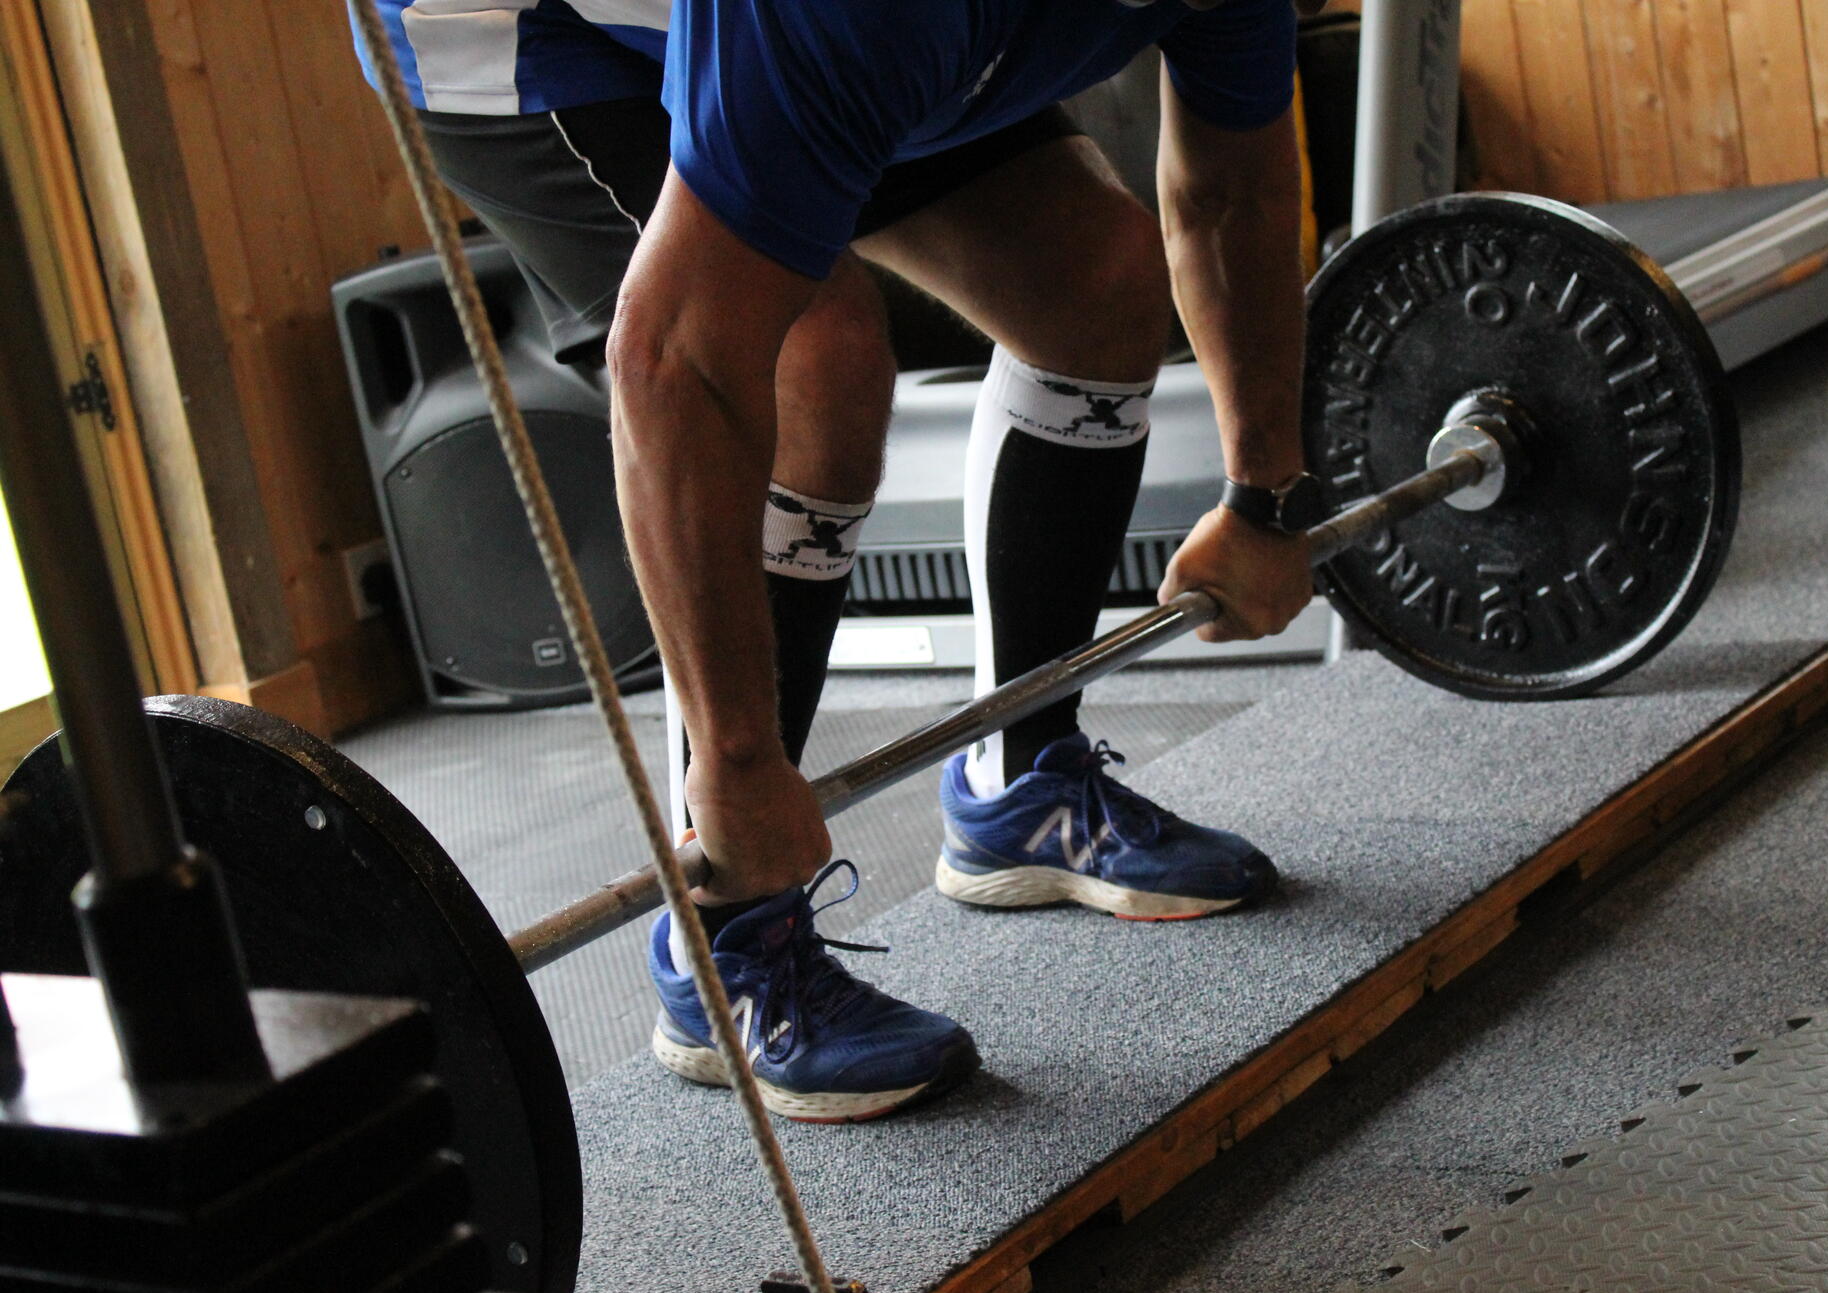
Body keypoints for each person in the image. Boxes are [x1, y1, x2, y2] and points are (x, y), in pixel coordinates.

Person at [352, 0, 1320, 1124]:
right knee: (813, 357)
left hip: (836, 38)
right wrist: (736, 762)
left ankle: (1022, 779)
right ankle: (721, 946)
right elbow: (678, 360)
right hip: (531, 33)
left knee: (1096, 276)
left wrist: (1264, 494)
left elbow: (1232, 192)